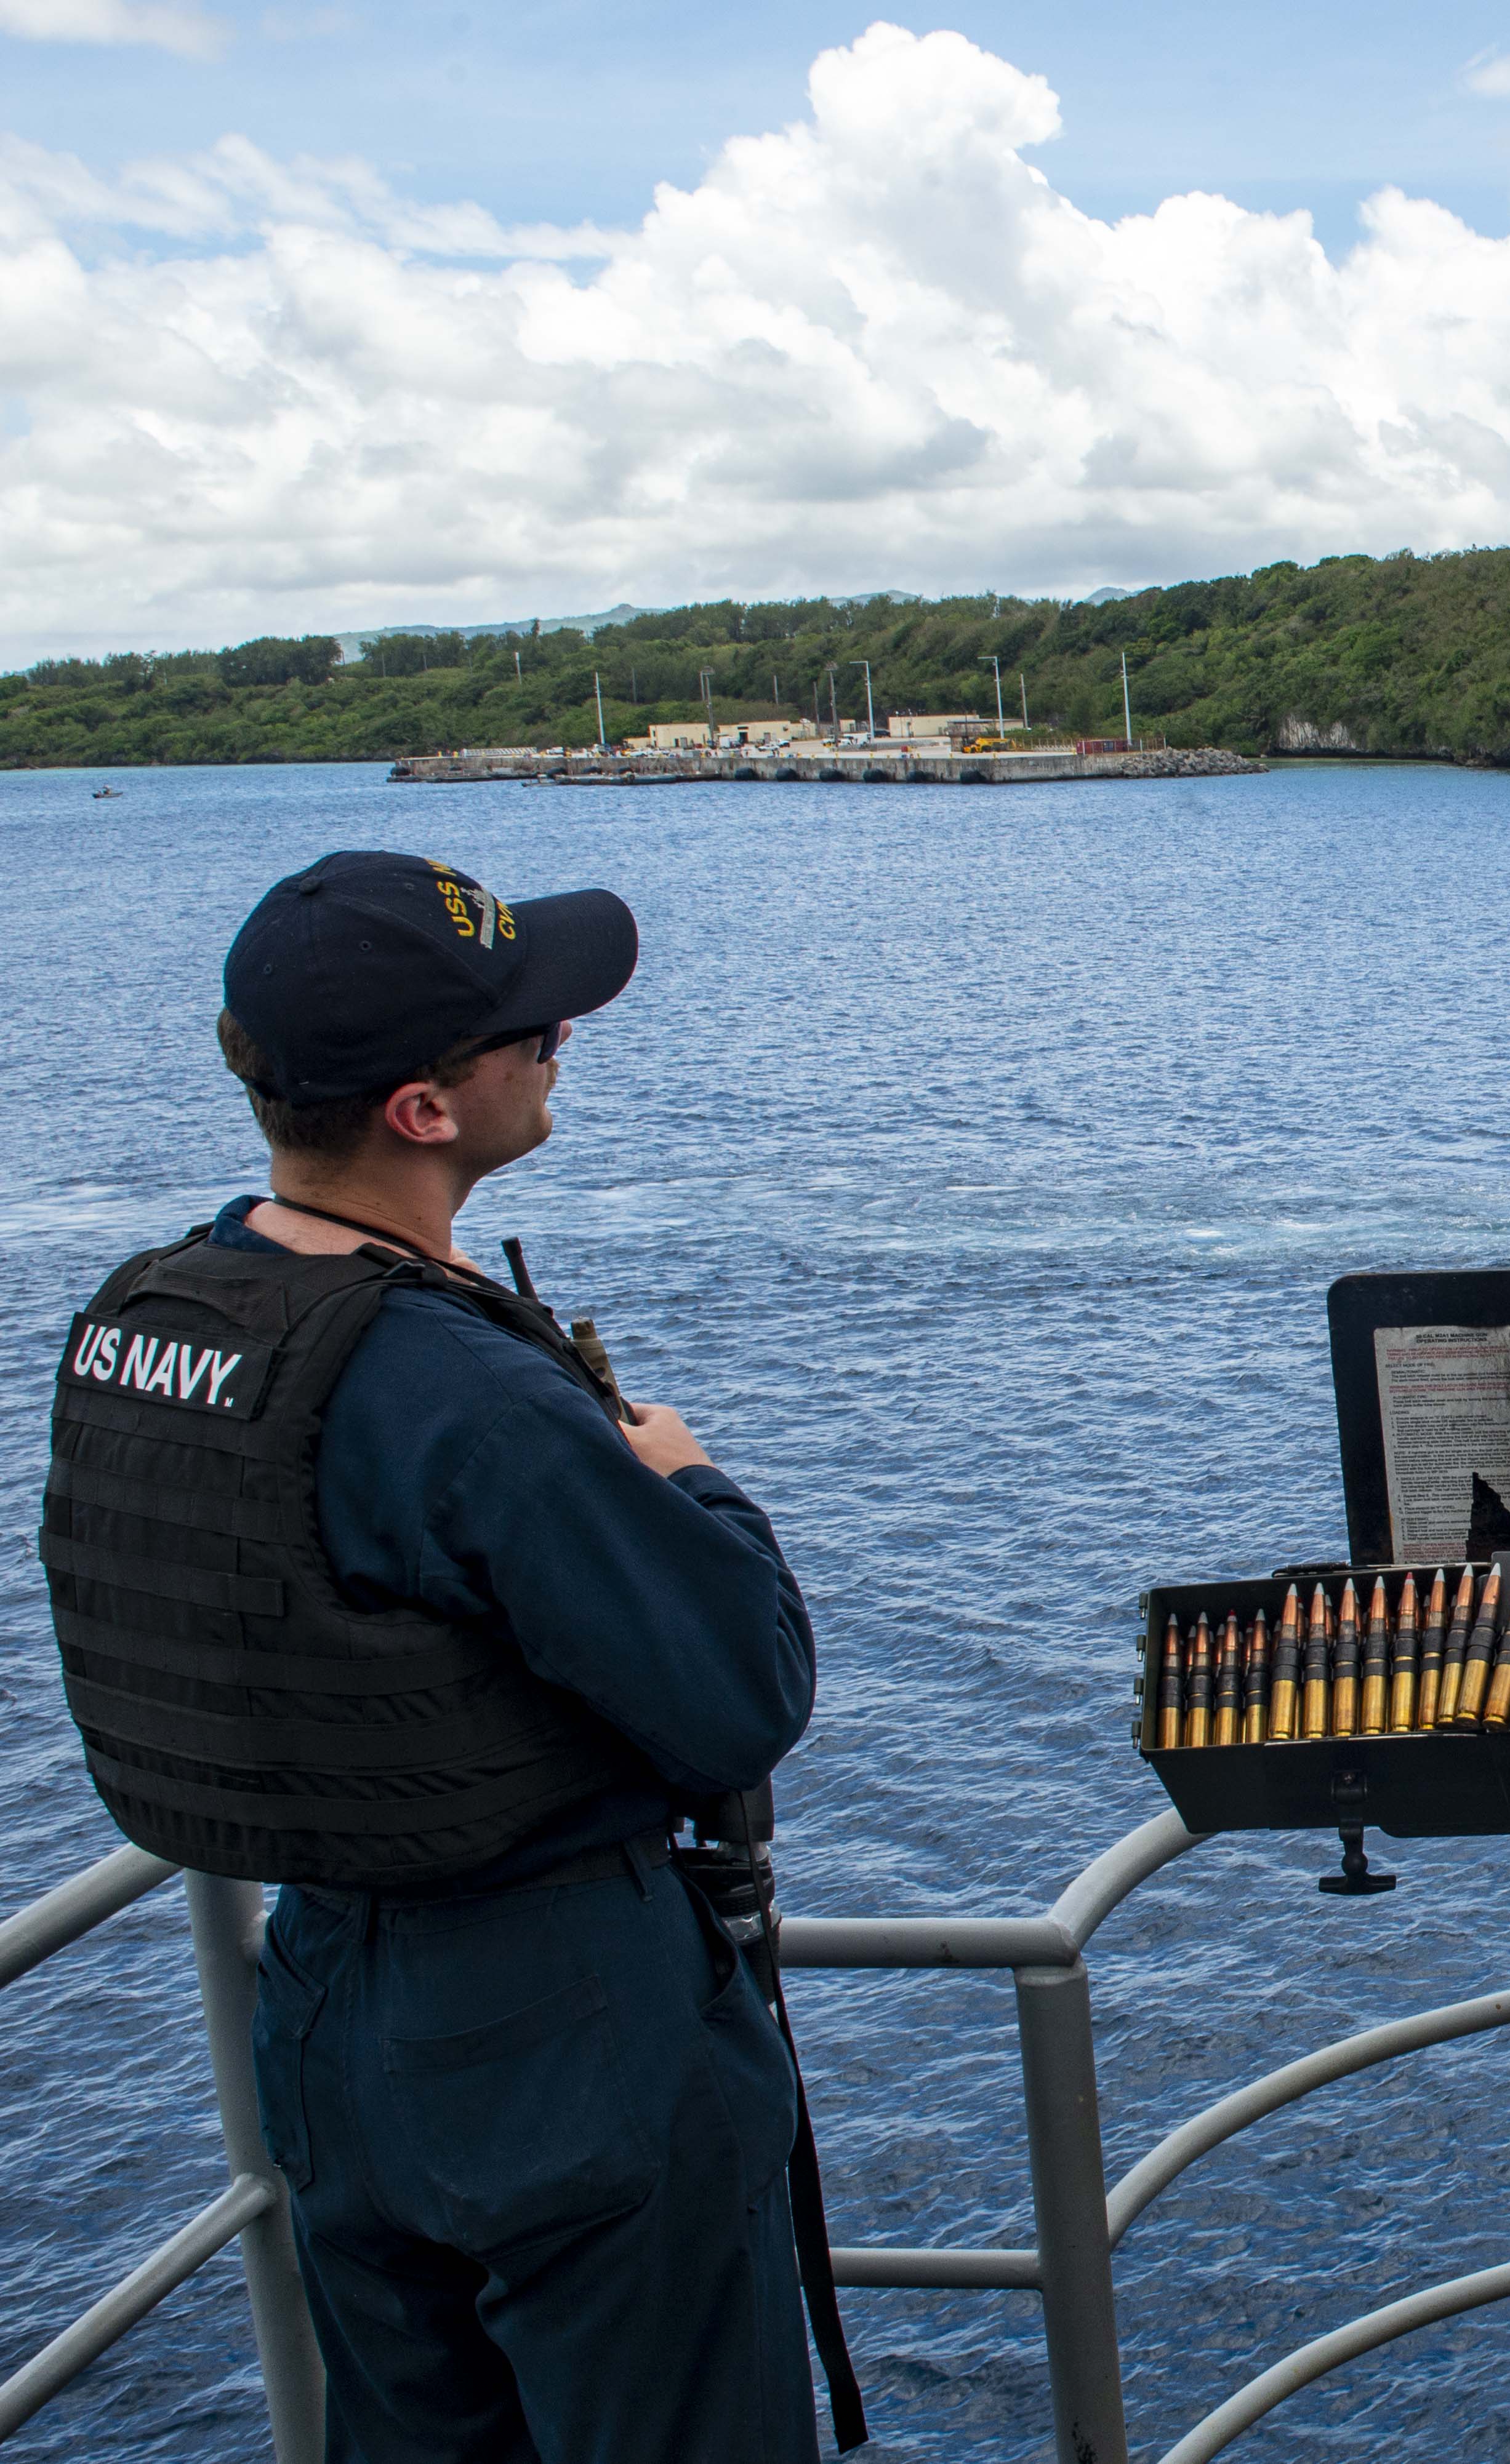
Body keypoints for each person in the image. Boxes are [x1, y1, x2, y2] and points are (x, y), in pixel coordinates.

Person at [41, 850, 835, 2462]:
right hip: (564, 2026)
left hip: (326, 2009)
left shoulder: (164, 1317)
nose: (558, 1039)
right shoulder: (466, 1398)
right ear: (422, 1106)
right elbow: (745, 1688)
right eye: (526, 1026)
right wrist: (683, 1473)